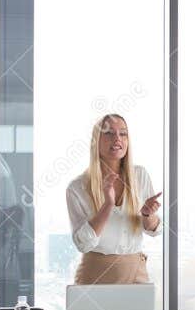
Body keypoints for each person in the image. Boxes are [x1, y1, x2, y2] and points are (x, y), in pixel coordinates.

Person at [66, 113, 162, 284]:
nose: (117, 138)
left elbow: (154, 230)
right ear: (96, 141)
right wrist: (107, 205)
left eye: (123, 133)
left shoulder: (140, 175)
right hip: (94, 275)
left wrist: (148, 215)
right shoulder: (77, 188)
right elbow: (83, 244)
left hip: (136, 274)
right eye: (109, 133)